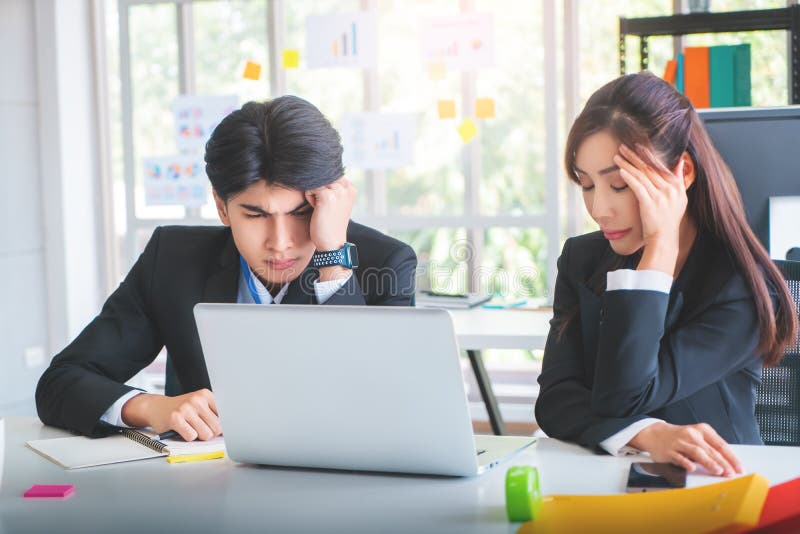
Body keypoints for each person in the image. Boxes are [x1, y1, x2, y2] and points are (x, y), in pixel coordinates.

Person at [36, 95, 417, 440]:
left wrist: (333, 258)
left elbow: (388, 407)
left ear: (332, 199)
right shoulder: (171, 259)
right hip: (209, 489)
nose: (280, 241)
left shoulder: (385, 263)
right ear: (222, 207)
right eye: (256, 215)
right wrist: (152, 407)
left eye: (301, 213)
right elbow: (61, 384)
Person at [535, 72, 797, 477]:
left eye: (619, 185)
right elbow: (555, 400)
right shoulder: (581, 259)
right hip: (601, 480)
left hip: (719, 484)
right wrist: (649, 435)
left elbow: (624, 397)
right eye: (587, 186)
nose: (599, 209)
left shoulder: (740, 288)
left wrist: (659, 250)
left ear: (683, 174)